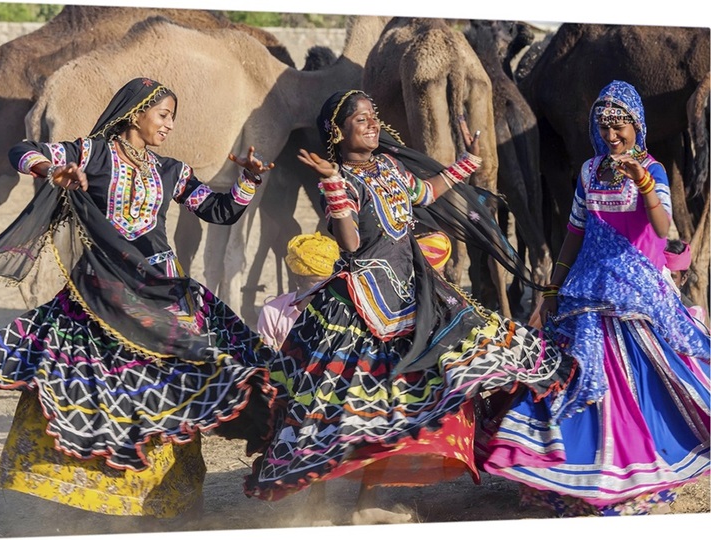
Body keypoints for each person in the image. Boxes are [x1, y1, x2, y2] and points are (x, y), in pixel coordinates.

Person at [243, 89, 575, 524]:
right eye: (360, 120)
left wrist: (466, 162)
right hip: (363, 303)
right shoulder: (340, 179)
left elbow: (426, 192)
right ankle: (319, 500)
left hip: (414, 292)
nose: (372, 124)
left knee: (399, 401)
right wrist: (331, 183)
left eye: (373, 116)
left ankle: (369, 500)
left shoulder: (389, 167)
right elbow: (350, 243)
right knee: (340, 406)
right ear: (337, 133)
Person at [0, 77, 278, 521]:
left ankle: (170, 497)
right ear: (136, 113)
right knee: (94, 382)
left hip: (162, 290)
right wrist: (50, 171)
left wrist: (248, 181)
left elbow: (220, 211)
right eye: (163, 115)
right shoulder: (92, 153)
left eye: (172, 117)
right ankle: (87, 500)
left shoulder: (170, 170)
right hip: (101, 289)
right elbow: (23, 150)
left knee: (175, 384)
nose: (170, 126)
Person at [480, 80, 710, 516]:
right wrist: (551, 287)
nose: (612, 135)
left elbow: (662, 230)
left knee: (640, 376)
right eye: (604, 127)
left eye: (620, 125)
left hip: (636, 289)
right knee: (580, 369)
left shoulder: (653, 170)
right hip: (586, 287)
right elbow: (574, 234)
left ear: (636, 125)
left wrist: (643, 182)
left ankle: (633, 463)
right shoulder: (589, 172)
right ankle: (573, 471)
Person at [257, 231, 339, 349]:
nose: (323, 288)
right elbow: (263, 358)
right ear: (298, 280)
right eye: (316, 282)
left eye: (328, 282)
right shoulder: (273, 312)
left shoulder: (339, 315)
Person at [664, 238, 707, 326]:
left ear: (684, 278)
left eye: (672, 277)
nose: (666, 282)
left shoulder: (692, 315)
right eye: (662, 276)